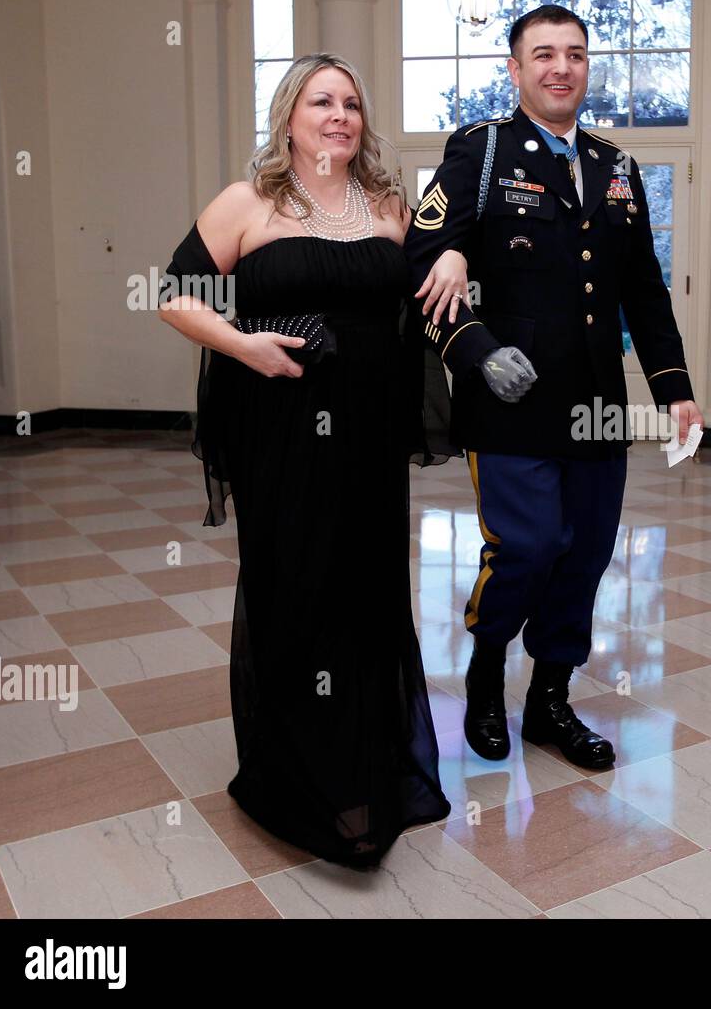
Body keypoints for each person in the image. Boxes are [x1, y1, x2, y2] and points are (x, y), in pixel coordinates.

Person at [157, 53, 528, 868]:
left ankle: (365, 763)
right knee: (295, 585)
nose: (339, 116)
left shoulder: (390, 205)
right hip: (280, 425)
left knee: (363, 591)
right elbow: (177, 293)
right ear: (289, 115)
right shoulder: (247, 203)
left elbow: (440, 273)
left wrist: (455, 259)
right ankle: (296, 777)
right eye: (322, 101)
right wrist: (246, 347)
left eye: (351, 103)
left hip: (365, 431)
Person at [406, 5, 704, 771]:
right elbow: (423, 263)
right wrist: (473, 340)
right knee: (528, 546)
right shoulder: (481, 152)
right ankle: (482, 675)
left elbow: (644, 287)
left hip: (600, 403)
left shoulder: (616, 167)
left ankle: (549, 700)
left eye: (574, 54)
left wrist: (674, 387)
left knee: (586, 553)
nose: (560, 67)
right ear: (516, 69)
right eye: (543, 55)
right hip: (509, 402)